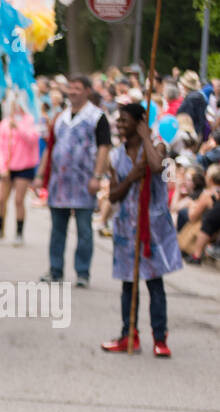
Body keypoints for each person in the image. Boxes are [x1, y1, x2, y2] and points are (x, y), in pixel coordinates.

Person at [101, 103, 181, 357]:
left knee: (155, 283)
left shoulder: (156, 147)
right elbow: (113, 195)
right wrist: (131, 177)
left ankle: (160, 337)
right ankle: (129, 334)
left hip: (152, 229)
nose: (120, 125)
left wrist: (147, 137)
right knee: (128, 284)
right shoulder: (115, 156)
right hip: (126, 227)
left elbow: (158, 167)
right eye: (119, 121)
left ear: (139, 122)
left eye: (125, 120)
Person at [38, 74, 110, 286]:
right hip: (60, 181)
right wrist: (41, 174)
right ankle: (55, 269)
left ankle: (82, 272)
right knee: (57, 229)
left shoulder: (97, 117)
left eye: (77, 88)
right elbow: (51, 147)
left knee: (84, 230)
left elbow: (104, 147)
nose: (72, 92)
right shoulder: (61, 117)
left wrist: (98, 175)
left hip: (84, 180)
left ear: (87, 91)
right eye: (70, 88)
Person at [0, 91, 39, 245]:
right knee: (1, 200)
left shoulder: (30, 120)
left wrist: (18, 127)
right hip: (7, 167)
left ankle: (19, 232)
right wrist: (1, 167)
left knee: (19, 200)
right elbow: (0, 147)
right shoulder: (4, 124)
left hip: (24, 166)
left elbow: (32, 140)